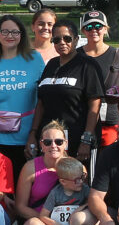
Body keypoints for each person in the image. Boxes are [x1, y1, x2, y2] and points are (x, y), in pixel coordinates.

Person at [0, 13, 45, 176]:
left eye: (15, 32)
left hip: (26, 136)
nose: (9, 36)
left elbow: (43, 97)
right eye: (5, 31)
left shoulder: (35, 58)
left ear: (22, 34)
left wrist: (35, 132)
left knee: (24, 185)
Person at [28, 20, 103, 159]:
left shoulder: (88, 65)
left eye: (67, 38)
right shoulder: (51, 64)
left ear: (76, 39)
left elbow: (95, 105)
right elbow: (41, 103)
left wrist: (86, 139)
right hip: (50, 142)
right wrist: (33, 133)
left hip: (77, 141)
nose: (62, 42)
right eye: (56, 40)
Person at [18, 122, 70, 225]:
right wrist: (49, 221)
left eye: (58, 141)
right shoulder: (30, 167)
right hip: (41, 223)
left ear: (65, 143)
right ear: (41, 144)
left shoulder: (75, 167)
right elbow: (20, 206)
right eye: (48, 142)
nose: (53, 145)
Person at [80, 10, 119, 151]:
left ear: (105, 28)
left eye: (98, 26)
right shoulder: (76, 55)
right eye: (89, 27)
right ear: (83, 31)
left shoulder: (116, 54)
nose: (94, 30)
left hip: (108, 120)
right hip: (82, 120)